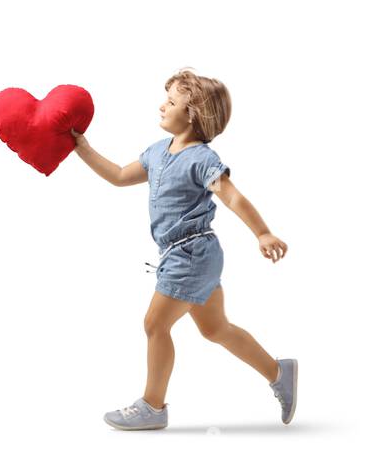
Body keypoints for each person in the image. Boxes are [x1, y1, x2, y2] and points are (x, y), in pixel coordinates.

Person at [69, 67, 295, 430]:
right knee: (216, 329)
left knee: (154, 324)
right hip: (186, 255)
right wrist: (83, 149)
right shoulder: (158, 152)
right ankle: (278, 371)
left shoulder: (202, 159)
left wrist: (263, 233)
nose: (162, 106)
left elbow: (233, 197)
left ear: (192, 114)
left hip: (190, 255)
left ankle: (153, 406)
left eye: (171, 101)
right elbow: (118, 176)